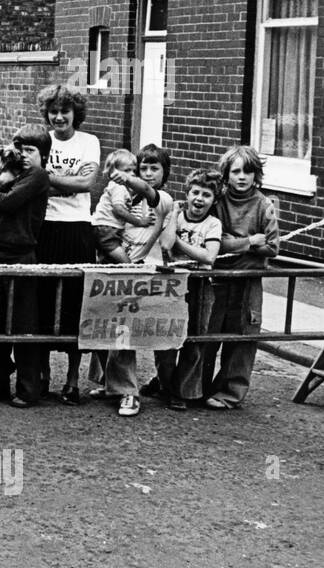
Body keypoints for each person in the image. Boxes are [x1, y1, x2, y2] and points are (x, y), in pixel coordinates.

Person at [89, 144, 173, 417]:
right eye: (142, 168)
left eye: (154, 168)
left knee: (124, 332)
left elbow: (148, 192)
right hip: (106, 264)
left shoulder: (162, 199)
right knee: (101, 326)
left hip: (132, 269)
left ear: (165, 173)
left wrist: (128, 178)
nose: (147, 174)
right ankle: (108, 382)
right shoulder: (123, 194)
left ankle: (128, 392)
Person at [0, 125, 52, 409]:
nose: (23, 155)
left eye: (30, 150)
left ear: (43, 155)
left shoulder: (37, 175)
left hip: (21, 255)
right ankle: (0, 380)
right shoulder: (10, 171)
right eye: (19, 148)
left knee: (23, 324)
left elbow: (6, 204)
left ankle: (28, 387)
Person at [35, 85, 100, 405]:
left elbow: (86, 183)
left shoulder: (89, 142)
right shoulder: (39, 141)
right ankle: (44, 374)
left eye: (65, 111)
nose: (59, 117)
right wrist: (62, 183)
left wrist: (47, 179)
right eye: (53, 111)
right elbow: (30, 182)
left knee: (76, 303)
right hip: (44, 229)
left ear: (76, 114)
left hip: (77, 229)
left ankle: (73, 380)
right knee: (43, 301)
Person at [202, 145, 279, 410]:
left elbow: (272, 246)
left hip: (247, 281)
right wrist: (247, 241)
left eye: (248, 171)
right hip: (218, 278)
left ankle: (229, 393)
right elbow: (213, 240)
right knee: (208, 334)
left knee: (242, 337)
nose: (242, 177)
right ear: (226, 173)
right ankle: (197, 387)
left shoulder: (264, 205)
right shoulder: (218, 202)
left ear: (256, 174)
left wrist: (240, 243)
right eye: (236, 171)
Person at [153, 168, 222, 410]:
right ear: (187, 193)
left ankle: (181, 391)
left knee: (194, 339)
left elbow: (209, 256)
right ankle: (165, 385)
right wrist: (173, 213)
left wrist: (179, 243)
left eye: (206, 195)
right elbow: (164, 243)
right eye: (195, 192)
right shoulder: (177, 217)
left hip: (200, 286)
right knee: (166, 337)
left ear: (214, 200)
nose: (199, 199)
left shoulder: (213, 224)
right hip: (173, 285)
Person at [90, 149, 158, 263]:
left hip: (106, 228)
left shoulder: (121, 188)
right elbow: (119, 210)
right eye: (126, 170)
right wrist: (139, 222)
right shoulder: (118, 187)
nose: (131, 174)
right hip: (107, 229)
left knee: (107, 261)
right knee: (126, 262)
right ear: (113, 173)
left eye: (133, 171)